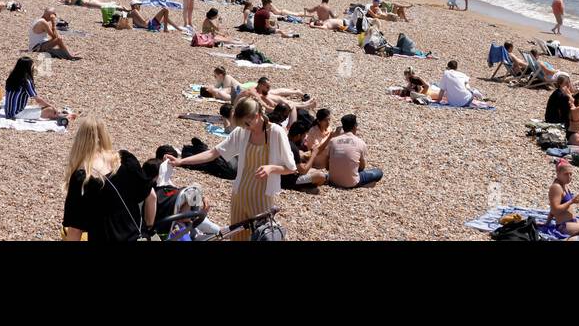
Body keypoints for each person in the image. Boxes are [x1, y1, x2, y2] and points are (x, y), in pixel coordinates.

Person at [164, 97, 297, 240]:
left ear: (257, 115)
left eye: (247, 123)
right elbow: (213, 153)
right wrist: (181, 161)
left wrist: (272, 168)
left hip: (262, 198)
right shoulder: (242, 131)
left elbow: (291, 168)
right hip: (239, 195)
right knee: (237, 237)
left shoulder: (276, 132)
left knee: (261, 236)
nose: (245, 127)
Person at [62, 118, 156, 241]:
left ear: (79, 140)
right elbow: (151, 196)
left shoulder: (82, 178)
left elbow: (75, 229)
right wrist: (149, 227)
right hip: (137, 236)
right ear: (105, 135)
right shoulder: (126, 160)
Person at [3, 56, 74, 122]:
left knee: (45, 108)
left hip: (8, 112)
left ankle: (61, 113)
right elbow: (37, 99)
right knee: (50, 110)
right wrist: (52, 106)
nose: (34, 68)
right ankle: (63, 116)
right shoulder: (25, 81)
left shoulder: (12, 78)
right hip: (16, 114)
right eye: (32, 66)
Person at [324, 114, 382, 188]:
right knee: (378, 172)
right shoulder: (360, 142)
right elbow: (362, 167)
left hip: (332, 180)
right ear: (355, 127)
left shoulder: (332, 141)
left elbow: (327, 166)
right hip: (351, 183)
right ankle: (361, 184)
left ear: (343, 127)